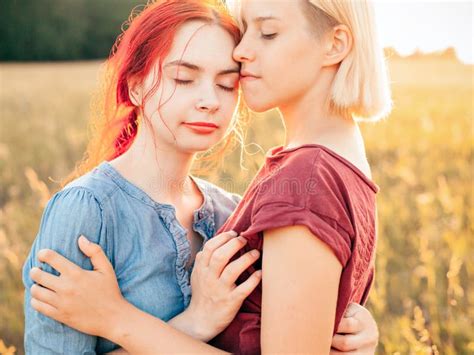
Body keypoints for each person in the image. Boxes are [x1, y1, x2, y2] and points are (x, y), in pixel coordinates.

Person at [26, 0, 388, 353]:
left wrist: (347, 333)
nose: (209, 101)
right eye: (184, 78)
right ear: (135, 86)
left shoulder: (225, 215)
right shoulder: (87, 210)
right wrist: (195, 322)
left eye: (228, 84)